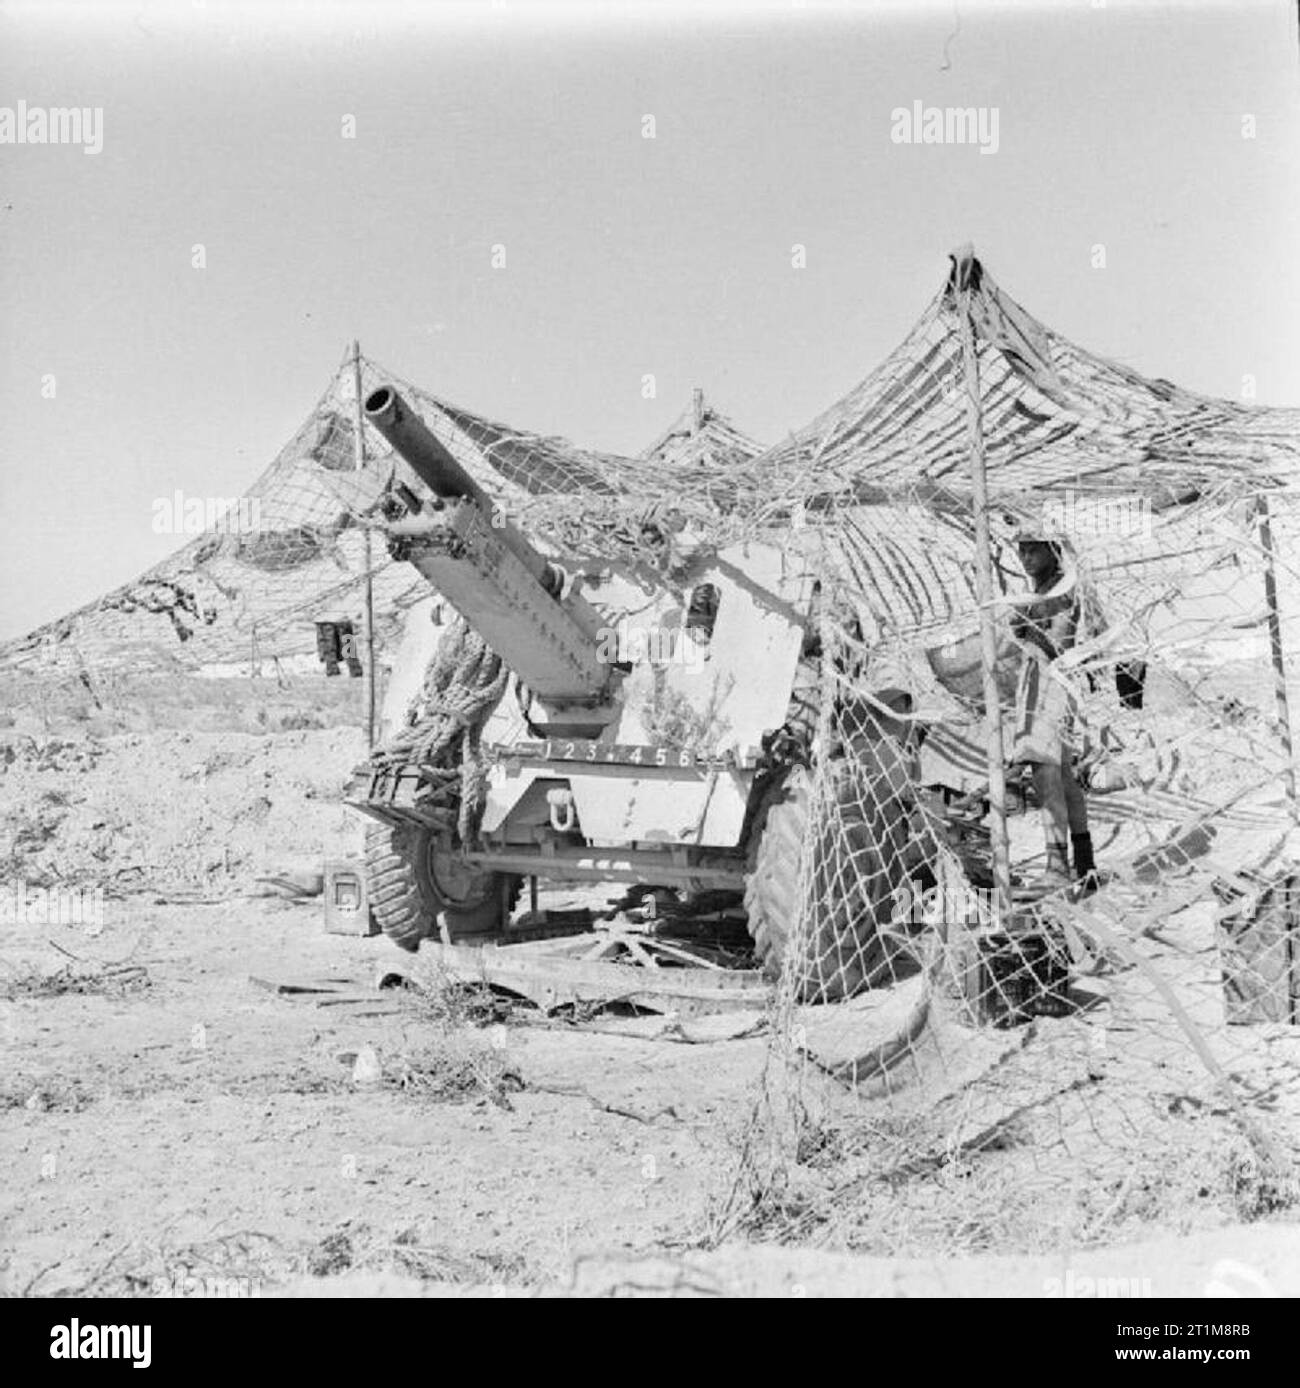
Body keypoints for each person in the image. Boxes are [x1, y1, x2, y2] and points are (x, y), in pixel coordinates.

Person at [1008, 531, 1097, 894]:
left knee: (1045, 773)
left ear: (1051, 551)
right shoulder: (1043, 590)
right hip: (1041, 684)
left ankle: (1058, 866)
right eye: (1022, 552)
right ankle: (1085, 864)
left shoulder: (1059, 591)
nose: (1026, 558)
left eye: (1033, 551)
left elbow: (1058, 645)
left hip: (1051, 685)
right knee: (1062, 776)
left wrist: (1019, 627)